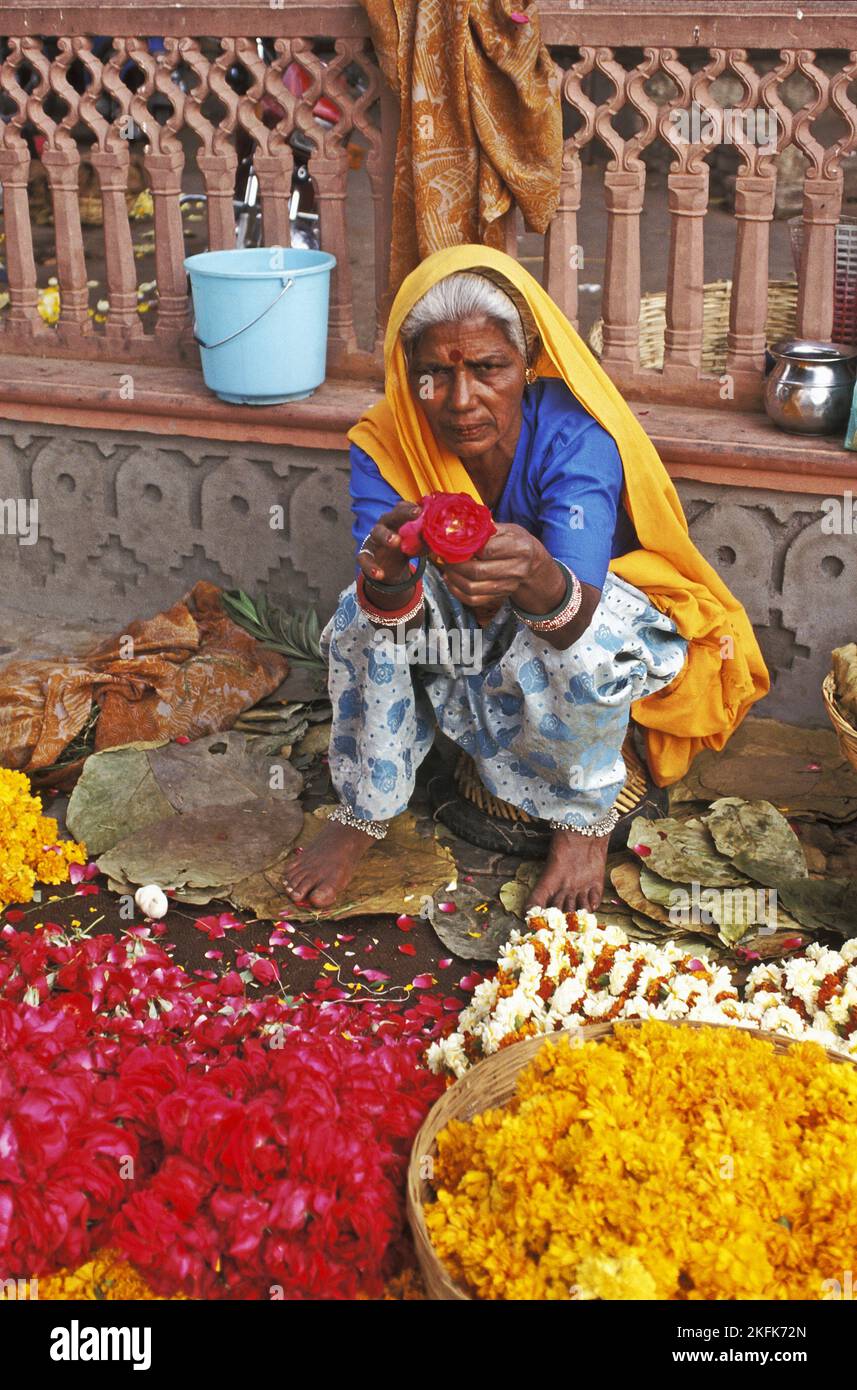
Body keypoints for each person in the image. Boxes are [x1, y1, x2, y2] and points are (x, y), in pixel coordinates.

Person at [282, 245, 768, 914]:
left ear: (528, 362)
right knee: (358, 613)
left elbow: (579, 613)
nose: (460, 400)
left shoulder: (574, 436)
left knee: (579, 637)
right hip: (462, 623)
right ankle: (366, 807)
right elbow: (395, 594)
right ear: (407, 373)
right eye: (433, 374)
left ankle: (581, 821)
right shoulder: (386, 440)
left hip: (597, 619)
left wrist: (537, 573)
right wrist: (389, 582)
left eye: (488, 368)